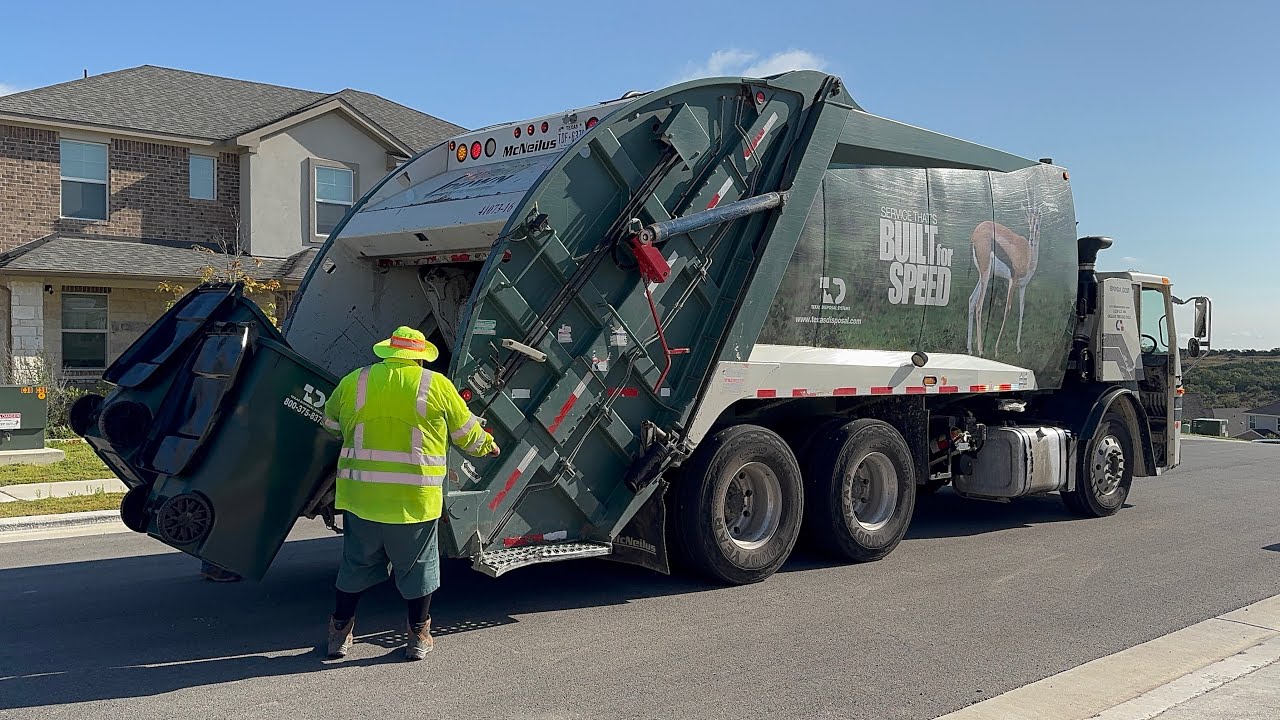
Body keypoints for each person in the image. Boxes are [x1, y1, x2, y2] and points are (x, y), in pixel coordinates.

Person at [321, 326, 499, 661]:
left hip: (362, 498)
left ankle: (339, 635)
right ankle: (418, 637)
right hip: (414, 500)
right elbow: (467, 435)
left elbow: (330, 423)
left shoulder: (355, 380)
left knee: (354, 566)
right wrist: (488, 446)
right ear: (419, 356)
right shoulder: (437, 385)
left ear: (388, 352)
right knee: (419, 569)